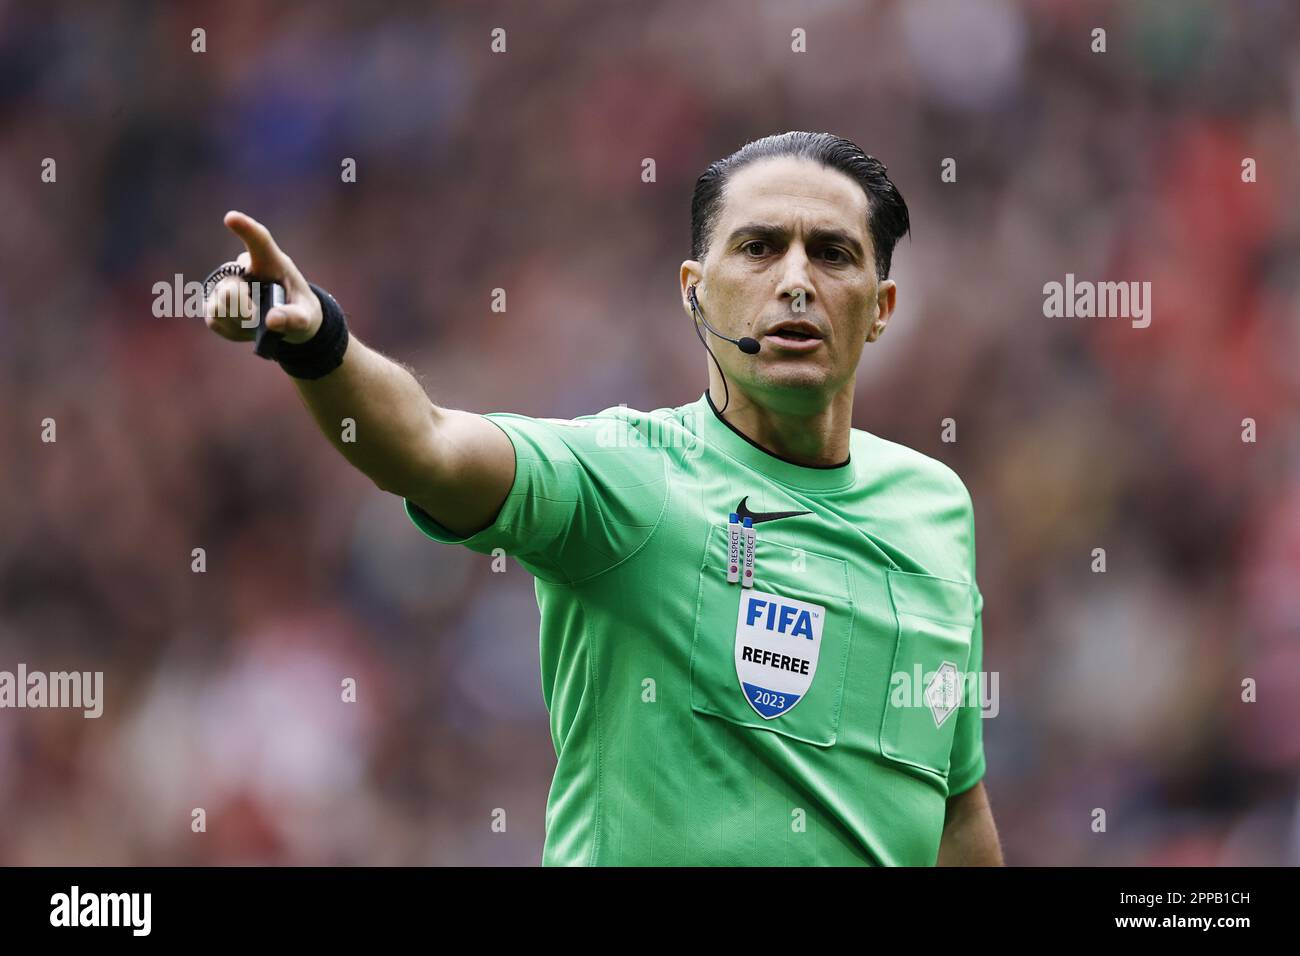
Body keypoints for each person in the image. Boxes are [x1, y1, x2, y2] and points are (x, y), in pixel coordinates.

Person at [204, 130, 1002, 866]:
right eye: (759, 248)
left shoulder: (936, 511)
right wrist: (320, 343)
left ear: (883, 309)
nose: (795, 281)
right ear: (695, 292)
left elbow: (956, 813)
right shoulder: (628, 478)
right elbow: (427, 447)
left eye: (832, 254)